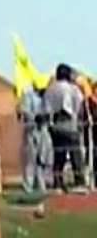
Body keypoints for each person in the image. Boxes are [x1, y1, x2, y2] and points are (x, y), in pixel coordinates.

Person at [44, 63, 89, 192]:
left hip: (54, 124)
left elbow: (46, 109)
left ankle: (57, 182)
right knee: (76, 154)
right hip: (69, 123)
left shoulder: (50, 89)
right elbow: (79, 105)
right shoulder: (72, 89)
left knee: (59, 154)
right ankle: (79, 182)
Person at [19, 73, 53, 194]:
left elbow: (49, 111)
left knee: (43, 159)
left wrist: (45, 116)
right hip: (31, 131)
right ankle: (28, 188)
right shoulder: (28, 95)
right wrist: (34, 117)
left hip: (43, 130)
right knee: (30, 160)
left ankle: (42, 186)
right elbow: (24, 111)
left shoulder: (46, 96)